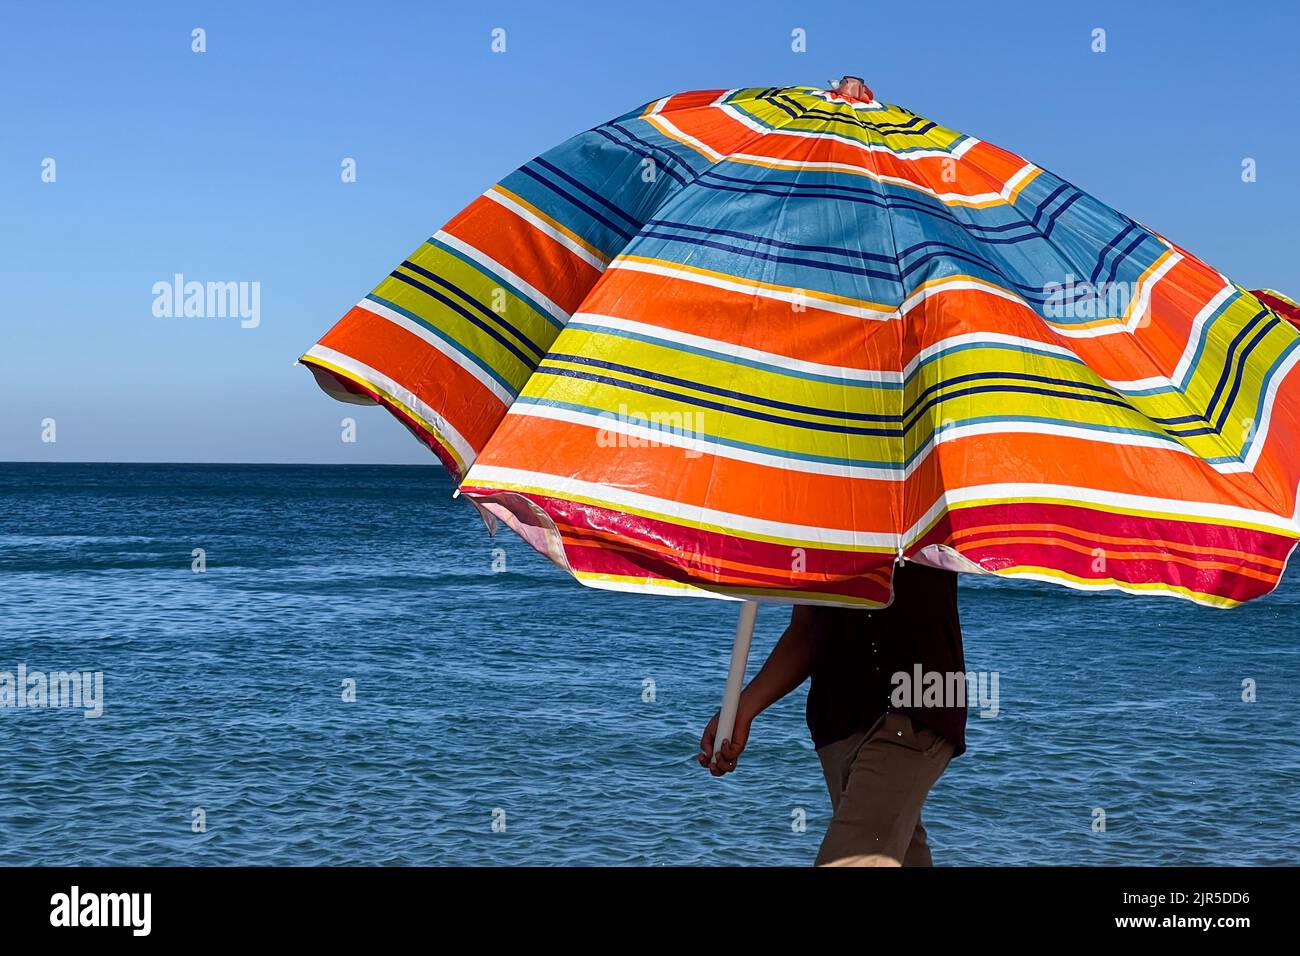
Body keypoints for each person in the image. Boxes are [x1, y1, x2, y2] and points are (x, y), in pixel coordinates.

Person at [697, 561, 966, 866]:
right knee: (896, 854)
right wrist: (742, 709)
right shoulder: (812, 522)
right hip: (839, 723)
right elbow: (806, 627)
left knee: (852, 857)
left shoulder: (919, 515)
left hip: (914, 709)